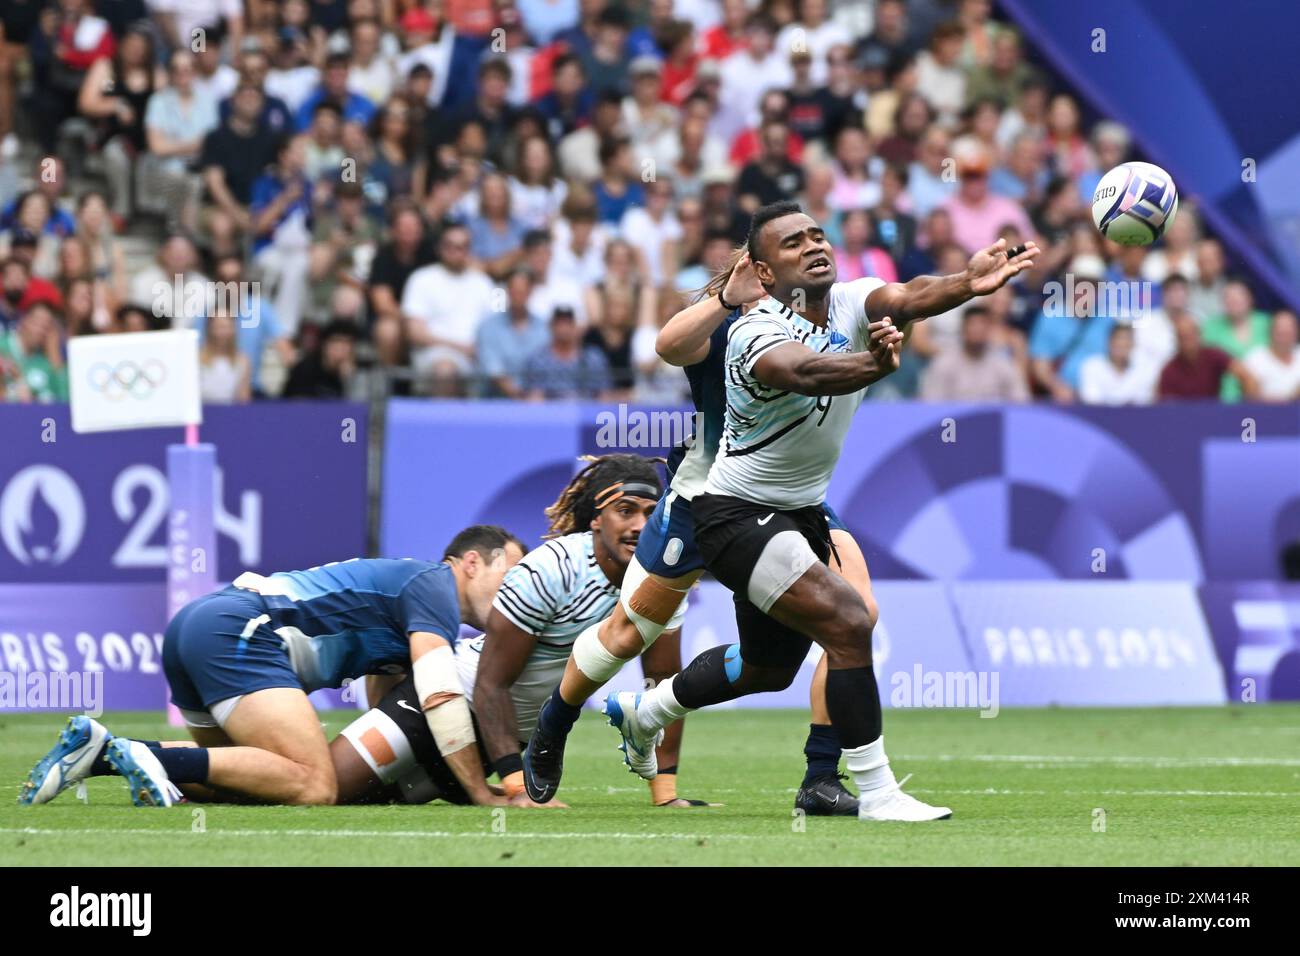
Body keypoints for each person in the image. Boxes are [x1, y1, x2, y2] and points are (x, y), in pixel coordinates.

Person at [596, 202, 1036, 822]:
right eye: (792, 243)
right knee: (849, 621)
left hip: (798, 511)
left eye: (816, 235)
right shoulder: (754, 329)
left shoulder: (855, 300)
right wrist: (873, 366)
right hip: (733, 515)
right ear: (764, 274)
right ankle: (876, 791)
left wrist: (968, 281)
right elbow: (802, 372)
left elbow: (909, 295)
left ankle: (647, 712)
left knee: (767, 669)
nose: (812, 246)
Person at [20, 527, 526, 809]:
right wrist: (480, 791)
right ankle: (132, 750)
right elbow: (437, 696)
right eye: (513, 572)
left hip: (201, 624)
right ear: (470, 563)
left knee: (240, 785)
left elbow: (391, 708)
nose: (517, 592)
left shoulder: (417, 609)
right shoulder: (434, 587)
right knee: (314, 784)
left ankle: (103, 752)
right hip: (239, 631)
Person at [921, 304, 1029, 401]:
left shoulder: (1002, 362)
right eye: (973, 325)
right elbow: (931, 402)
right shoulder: (944, 362)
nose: (978, 330)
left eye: (982, 325)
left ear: (989, 329)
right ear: (963, 329)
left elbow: (1020, 399)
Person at [1157, 313, 1257, 401]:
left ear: (1199, 335)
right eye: (1183, 338)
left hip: (1214, 416)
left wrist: (1244, 410)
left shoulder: (1213, 356)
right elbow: (1164, 405)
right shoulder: (1169, 370)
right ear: (1177, 340)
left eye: (1191, 336)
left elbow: (1247, 378)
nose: (1188, 343)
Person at [1078, 323, 1157, 405]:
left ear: (1133, 344)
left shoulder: (1143, 370)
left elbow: (1144, 402)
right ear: (1109, 342)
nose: (1122, 344)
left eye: (1127, 340)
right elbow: (1091, 401)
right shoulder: (1092, 366)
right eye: (1118, 339)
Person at [1243, 309, 1300, 402]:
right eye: (1280, 333)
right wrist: (1289, 399)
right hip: (1263, 414)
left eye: (1288, 332)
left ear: (1296, 333)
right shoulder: (1255, 357)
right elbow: (1250, 396)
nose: (1284, 338)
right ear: (1270, 332)